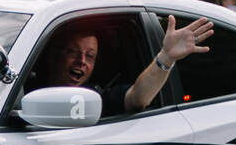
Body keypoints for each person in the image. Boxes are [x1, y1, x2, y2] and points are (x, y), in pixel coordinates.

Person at [31, 14, 213, 117]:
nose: (82, 61)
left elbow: (137, 98)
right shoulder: (22, 91)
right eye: (72, 52)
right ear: (53, 55)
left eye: (90, 56)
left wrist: (166, 58)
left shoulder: (97, 98)